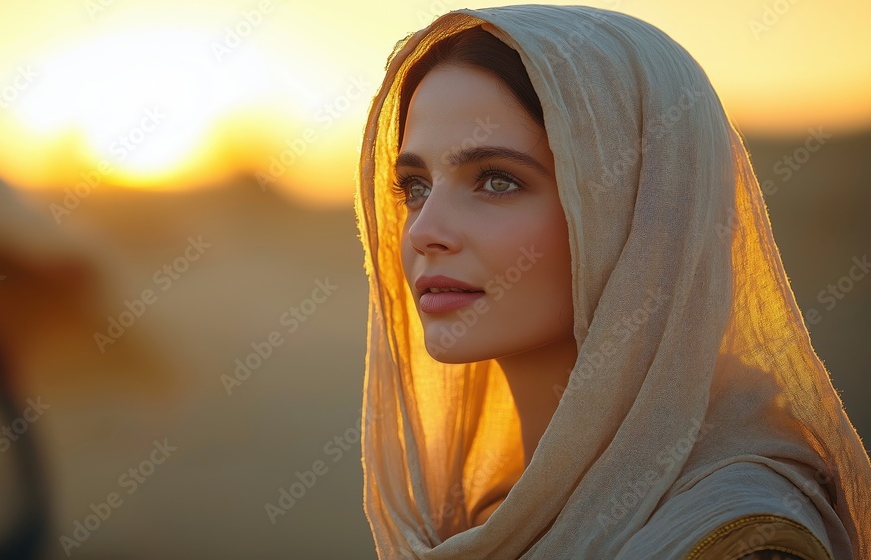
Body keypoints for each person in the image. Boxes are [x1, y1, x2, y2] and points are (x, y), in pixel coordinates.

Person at [353, 5, 871, 559]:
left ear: (643, 211)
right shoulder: (493, 517)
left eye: (497, 181)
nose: (425, 231)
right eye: (415, 187)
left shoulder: (742, 539)